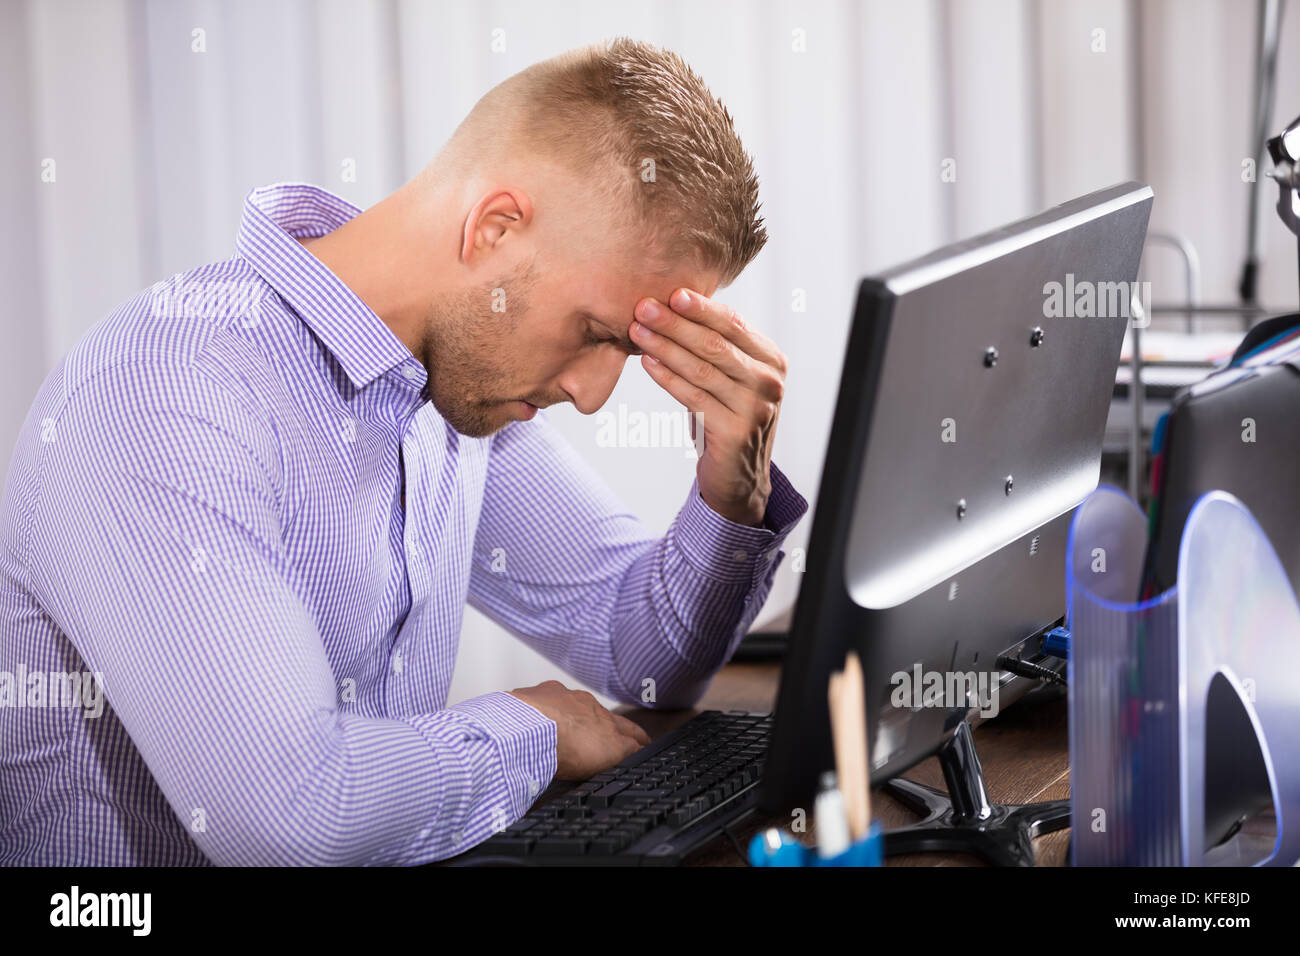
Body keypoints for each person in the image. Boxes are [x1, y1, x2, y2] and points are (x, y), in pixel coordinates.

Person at [0, 38, 806, 865]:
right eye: (597, 332)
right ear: (495, 228)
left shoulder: (446, 385)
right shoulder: (166, 395)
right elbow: (291, 820)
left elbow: (642, 659)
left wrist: (729, 497)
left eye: (630, 352)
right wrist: (530, 730)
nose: (597, 394)